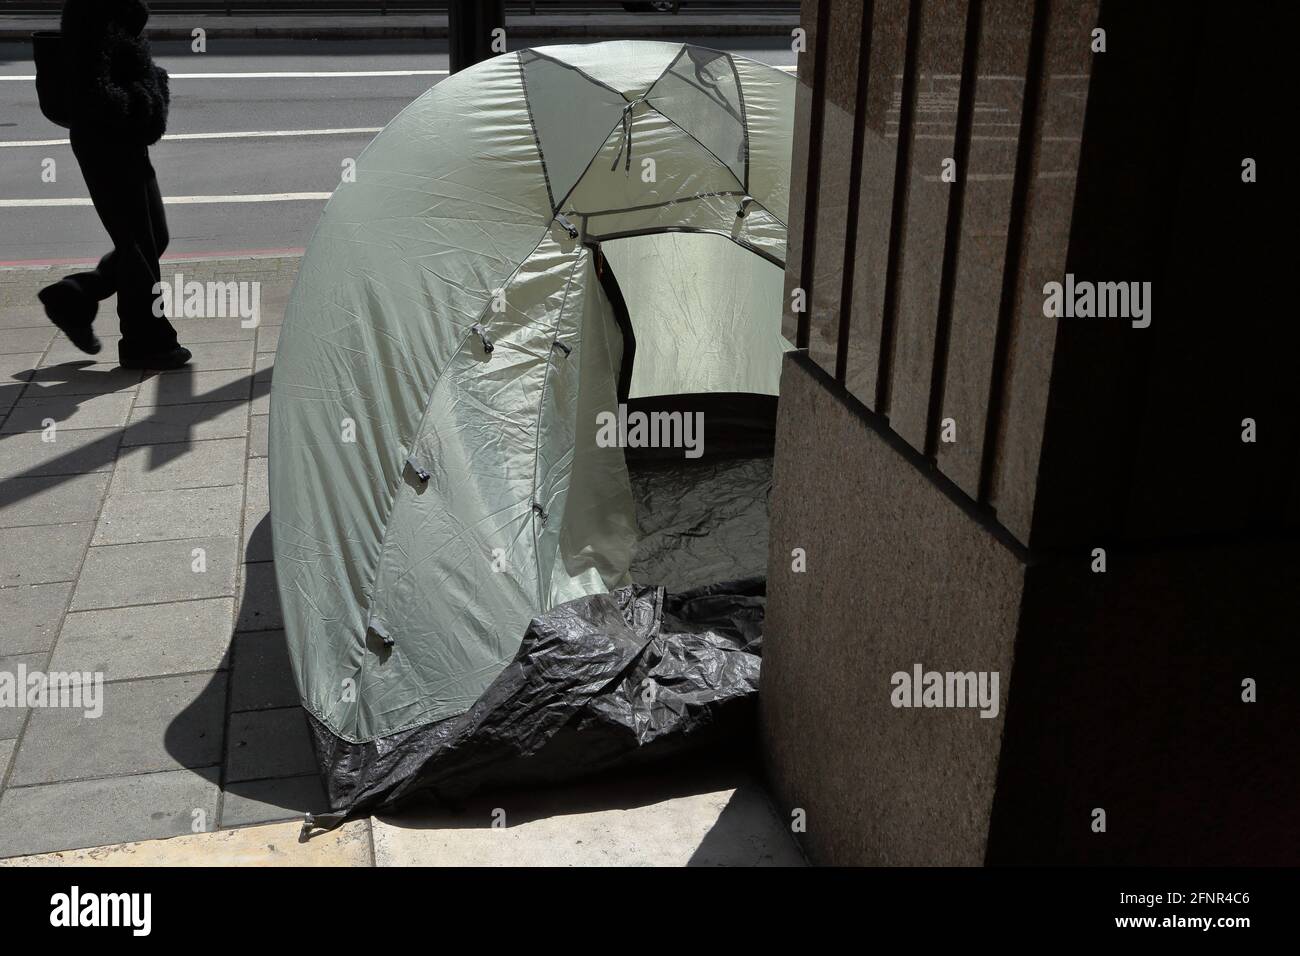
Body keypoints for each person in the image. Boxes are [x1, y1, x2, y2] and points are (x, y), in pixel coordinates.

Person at [38, 0, 190, 369]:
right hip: (106, 138)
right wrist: (137, 105)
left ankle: (74, 297)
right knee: (138, 243)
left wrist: (153, 86)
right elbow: (91, 80)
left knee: (154, 236)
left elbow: (122, 59)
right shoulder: (91, 7)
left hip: (123, 136)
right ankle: (145, 342)